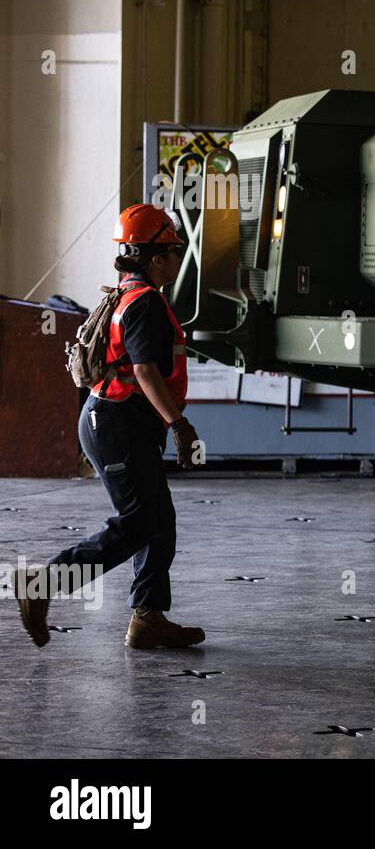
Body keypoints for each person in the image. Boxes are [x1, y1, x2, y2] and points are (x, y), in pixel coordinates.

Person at [11, 203, 206, 650]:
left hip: (114, 421)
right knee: (140, 522)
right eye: (174, 250)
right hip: (116, 423)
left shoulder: (125, 293)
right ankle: (44, 582)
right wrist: (178, 424)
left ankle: (148, 618)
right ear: (155, 257)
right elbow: (144, 371)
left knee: (160, 521)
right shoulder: (147, 303)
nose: (178, 258)